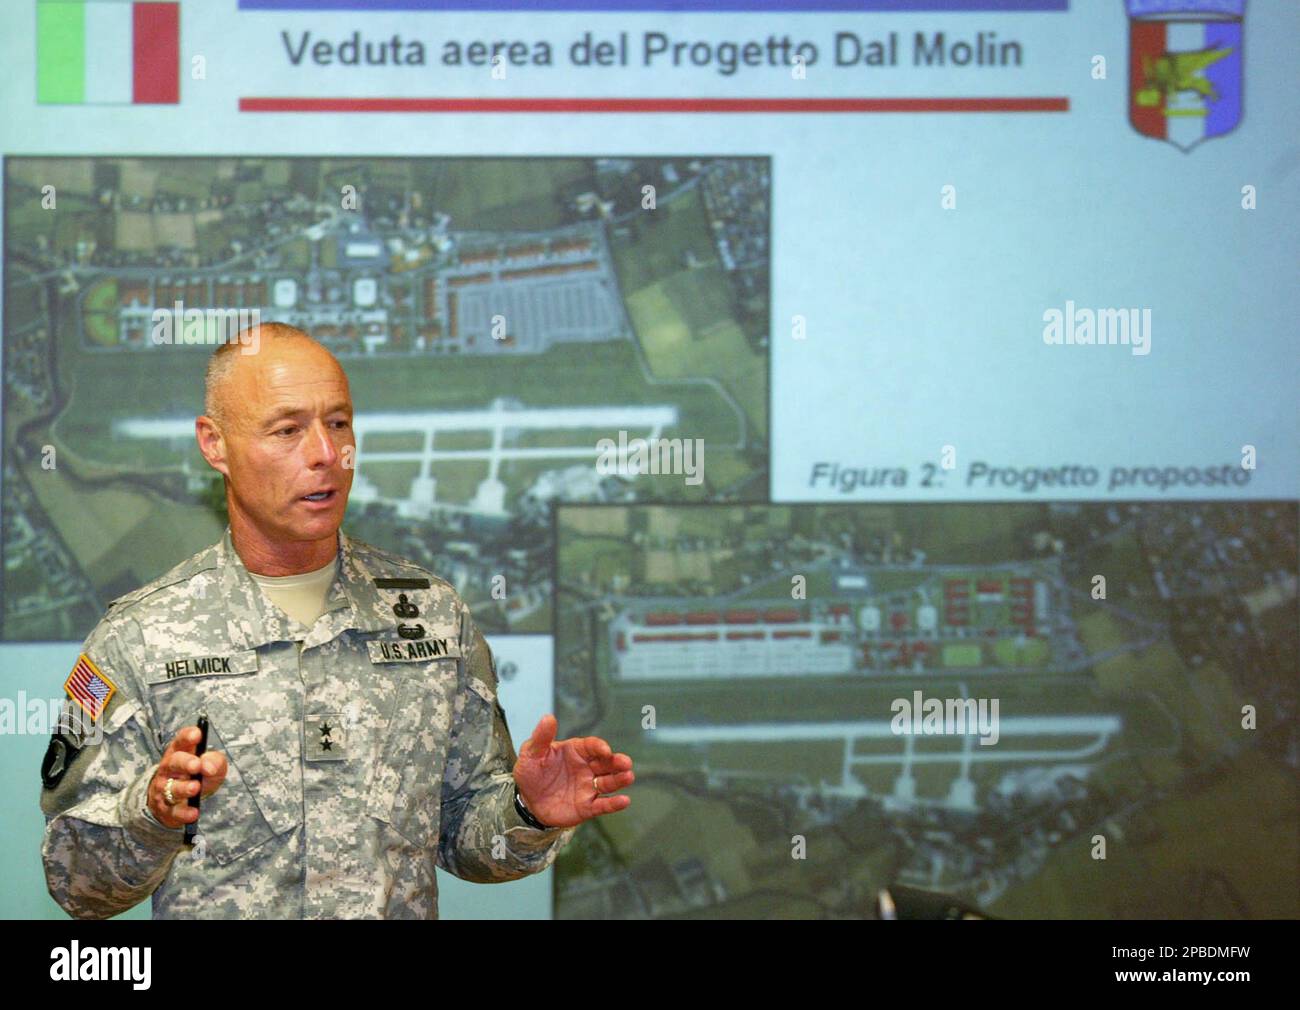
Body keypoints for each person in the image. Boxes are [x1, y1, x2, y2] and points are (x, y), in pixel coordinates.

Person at [39, 323, 634, 919]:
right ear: (214, 444)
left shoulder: (432, 617)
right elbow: (77, 886)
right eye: (287, 430)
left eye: (339, 423)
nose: (326, 453)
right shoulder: (138, 637)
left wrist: (529, 812)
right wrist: (152, 815)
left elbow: (464, 836)